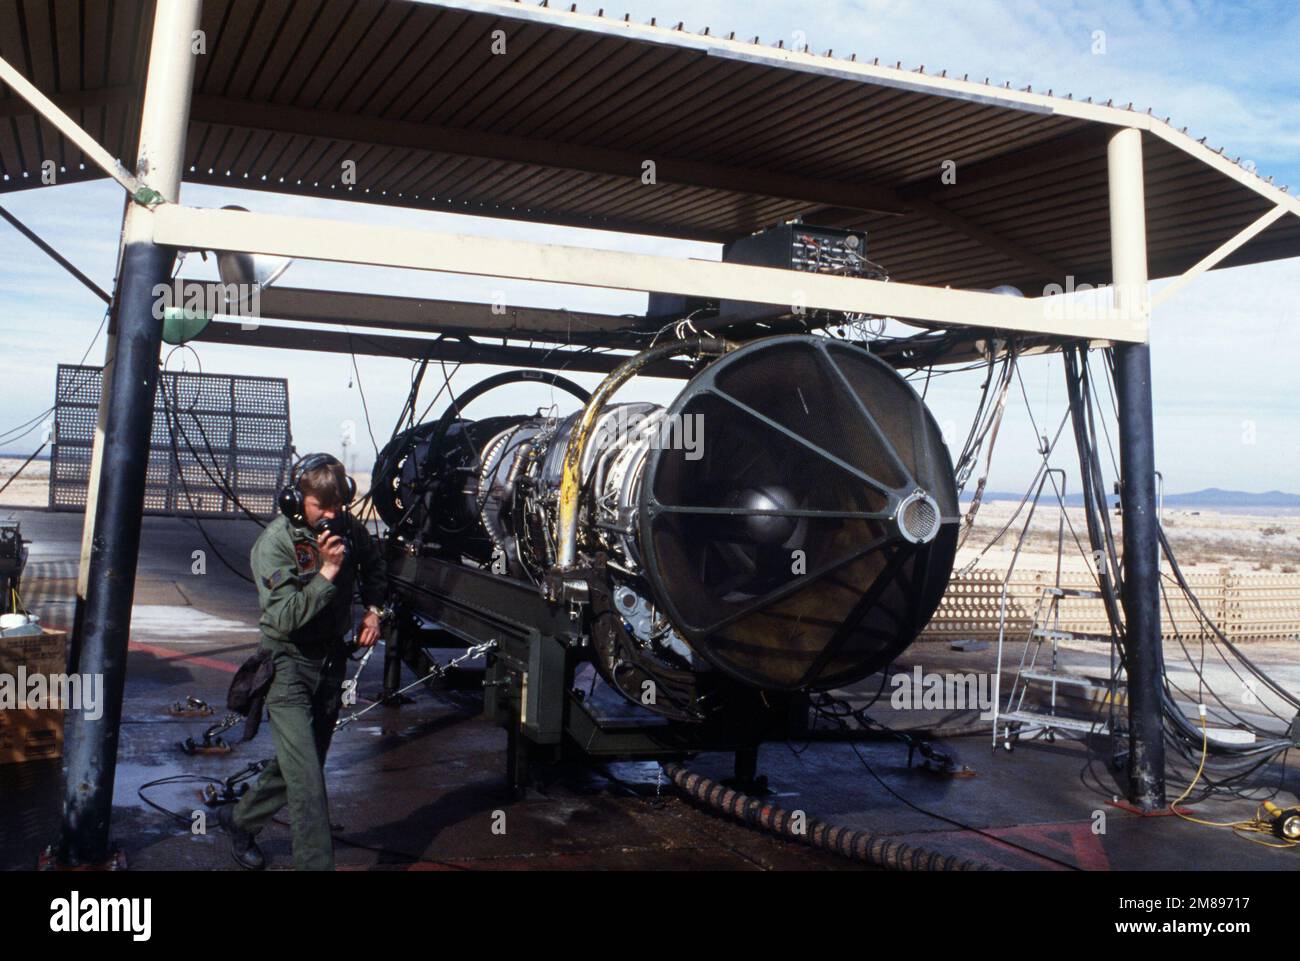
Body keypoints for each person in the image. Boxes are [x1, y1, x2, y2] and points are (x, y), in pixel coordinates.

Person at [218, 453, 387, 870]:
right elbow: (283, 615)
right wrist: (328, 572)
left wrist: (374, 610)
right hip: (287, 666)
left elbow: (375, 565)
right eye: (320, 507)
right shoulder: (275, 544)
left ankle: (240, 820)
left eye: (337, 506)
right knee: (309, 784)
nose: (331, 516)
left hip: (330, 665)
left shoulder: (346, 528)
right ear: (297, 501)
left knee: (302, 763)